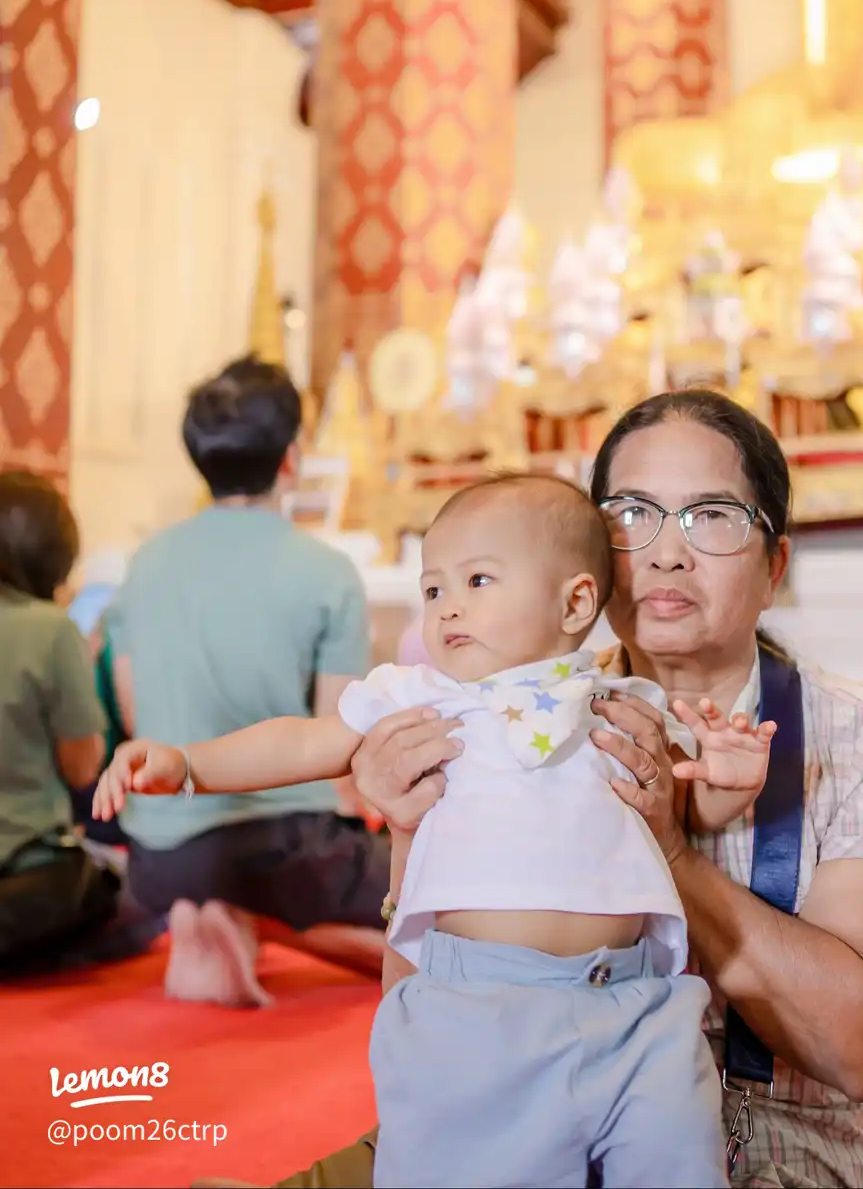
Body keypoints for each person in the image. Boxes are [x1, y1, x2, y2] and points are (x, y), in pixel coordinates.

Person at [237, 388, 863, 1189]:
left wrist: (671, 850)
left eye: (711, 516)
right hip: (497, 1110)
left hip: (755, 1153)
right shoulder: (500, 712)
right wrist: (412, 833)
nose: (668, 554)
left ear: (774, 564)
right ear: (588, 564)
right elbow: (428, 1004)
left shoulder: (860, 736)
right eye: (634, 514)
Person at [100, 472, 777, 1189]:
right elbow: (304, 742)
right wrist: (189, 764)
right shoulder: (425, 697)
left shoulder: (617, 703)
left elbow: (673, 823)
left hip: (640, 1010)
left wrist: (730, 789)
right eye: (432, 591)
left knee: (679, 1164)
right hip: (477, 1011)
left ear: (576, 601)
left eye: (478, 581)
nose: (448, 607)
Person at [106, 355, 389, 1005]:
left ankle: (212, 909)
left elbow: (132, 714)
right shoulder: (326, 571)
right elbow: (336, 743)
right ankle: (265, 921)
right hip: (288, 853)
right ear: (291, 458)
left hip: (158, 855)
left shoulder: (143, 564)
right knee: (449, 908)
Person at [0, 472, 118, 970]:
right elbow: (83, 768)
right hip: (23, 877)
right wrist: (81, 670)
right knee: (138, 896)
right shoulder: (51, 630)